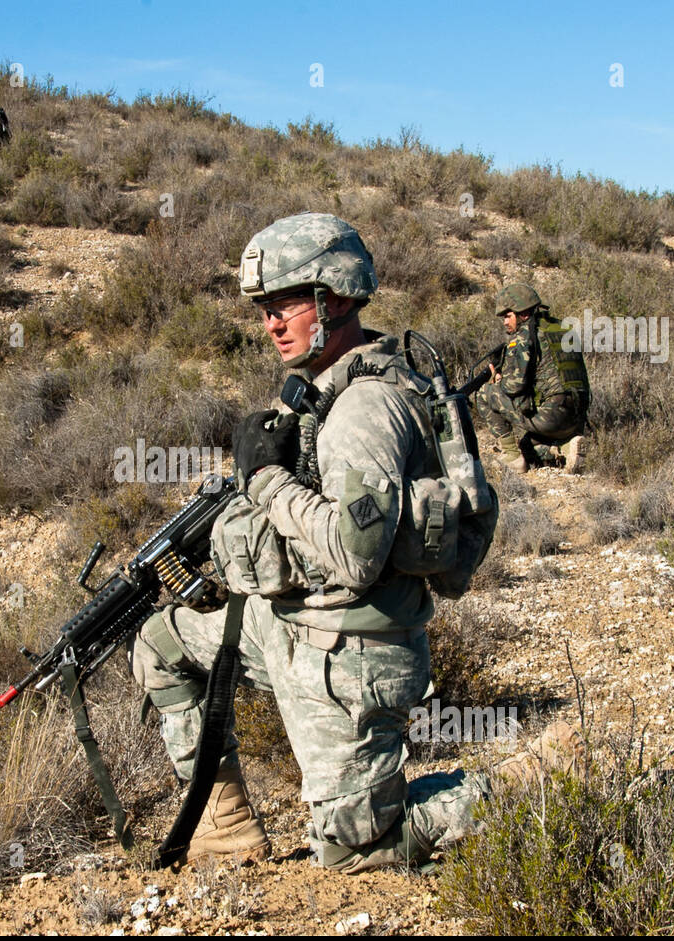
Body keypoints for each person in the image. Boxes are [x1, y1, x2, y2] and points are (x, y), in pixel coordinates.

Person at [130, 213, 503, 873]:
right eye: (266, 308)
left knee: (357, 850)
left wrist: (268, 480)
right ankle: (226, 834)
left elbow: (355, 555)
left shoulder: (364, 409)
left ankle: (512, 803)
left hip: (353, 656)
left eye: (290, 304)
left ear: (336, 298)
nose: (274, 323)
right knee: (161, 644)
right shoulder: (322, 395)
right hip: (296, 628)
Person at [475, 284, 589, 473]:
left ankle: (511, 457)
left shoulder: (523, 337)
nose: (504, 322)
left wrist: (498, 380)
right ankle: (566, 447)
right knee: (527, 446)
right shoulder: (560, 328)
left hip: (551, 417)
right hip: (577, 416)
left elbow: (513, 387)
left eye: (508, 316)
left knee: (485, 394)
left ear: (524, 314)